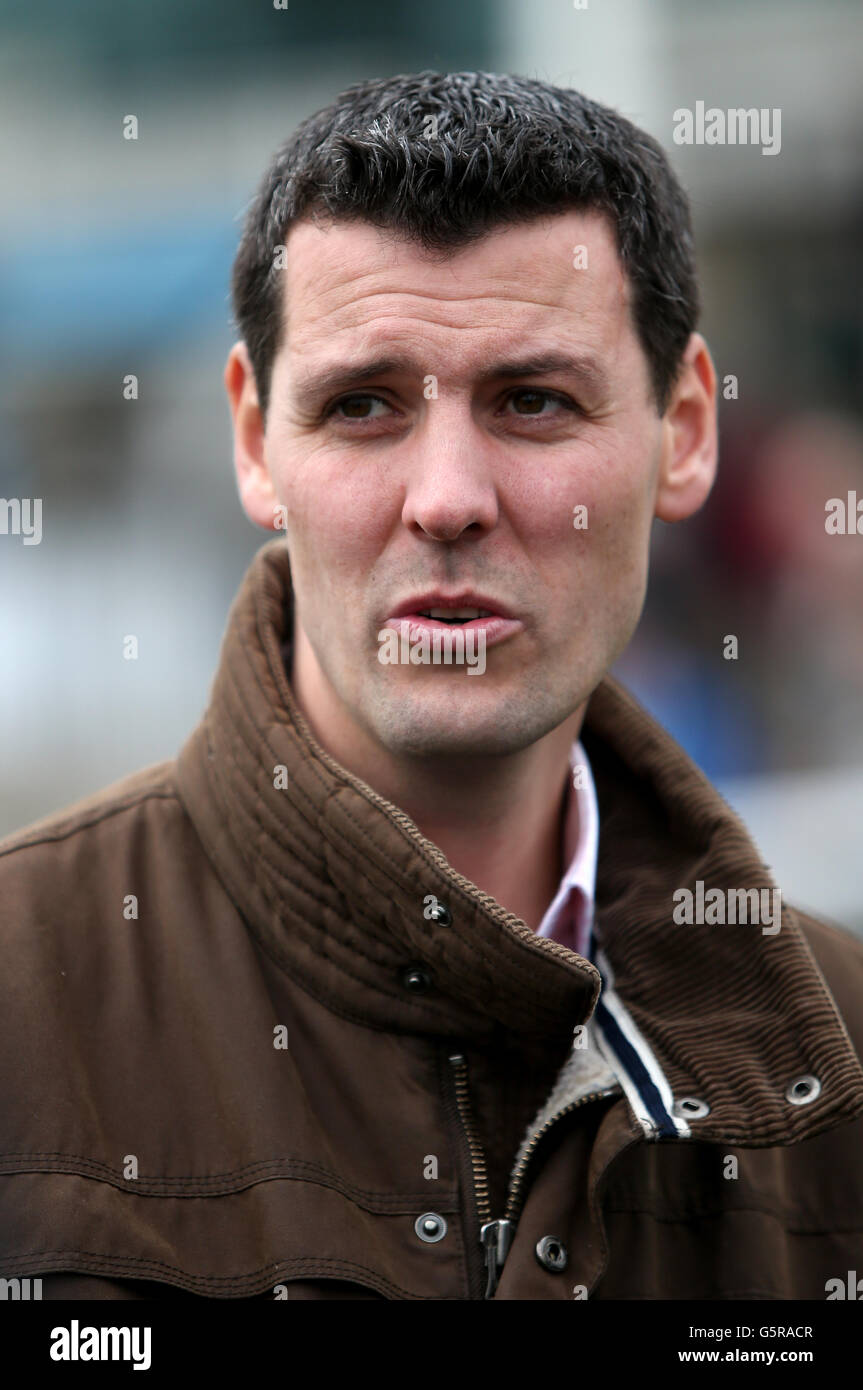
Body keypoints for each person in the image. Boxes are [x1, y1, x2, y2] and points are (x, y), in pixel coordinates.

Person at [1, 70, 861, 1302]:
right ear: (255, 443)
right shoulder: (22, 998)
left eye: (531, 402)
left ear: (682, 431)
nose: (447, 496)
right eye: (362, 407)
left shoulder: (836, 1055)